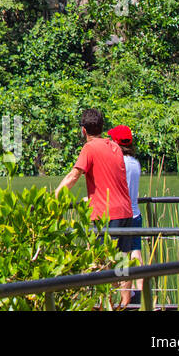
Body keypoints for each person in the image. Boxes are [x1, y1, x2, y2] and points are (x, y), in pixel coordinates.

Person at [55, 108, 134, 308]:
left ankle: (103, 304)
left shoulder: (89, 149)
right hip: (125, 211)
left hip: (107, 215)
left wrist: (54, 197)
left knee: (103, 262)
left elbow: (73, 176)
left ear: (83, 130)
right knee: (122, 261)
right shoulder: (114, 146)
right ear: (102, 127)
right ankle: (125, 303)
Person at [110, 124, 144, 306]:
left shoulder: (118, 163)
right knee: (135, 252)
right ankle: (139, 293)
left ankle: (121, 297)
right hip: (136, 213)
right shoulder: (135, 163)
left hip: (121, 215)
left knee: (121, 256)